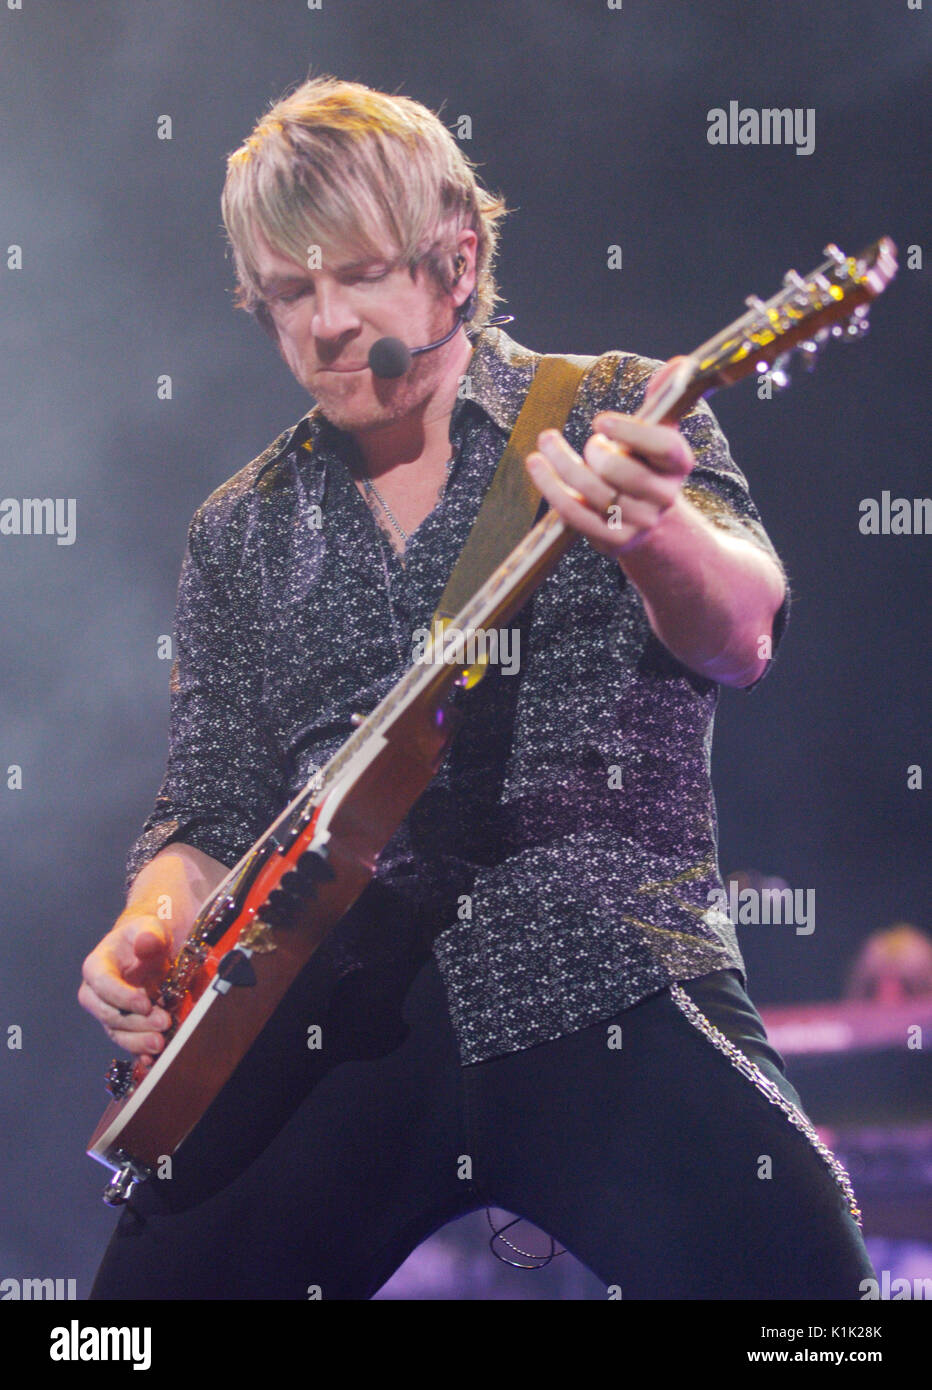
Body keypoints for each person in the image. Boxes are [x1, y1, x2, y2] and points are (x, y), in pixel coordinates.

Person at [80, 75, 875, 1299]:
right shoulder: (236, 530)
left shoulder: (612, 405)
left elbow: (743, 632)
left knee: (806, 1292)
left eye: (357, 275)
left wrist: (648, 532)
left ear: (456, 263)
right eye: (290, 293)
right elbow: (204, 809)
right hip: (339, 1017)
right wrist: (147, 927)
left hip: (599, 972)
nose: (326, 322)